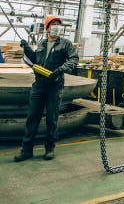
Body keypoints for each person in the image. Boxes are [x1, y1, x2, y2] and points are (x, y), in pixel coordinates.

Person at [14, 15, 79, 162]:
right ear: (47, 28)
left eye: (58, 24)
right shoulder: (42, 43)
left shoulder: (66, 44)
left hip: (54, 86)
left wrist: (61, 69)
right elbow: (35, 60)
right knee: (32, 117)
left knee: (52, 118)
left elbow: (73, 59)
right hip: (39, 85)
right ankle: (26, 150)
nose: (56, 26)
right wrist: (26, 48)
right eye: (53, 24)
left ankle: (50, 148)